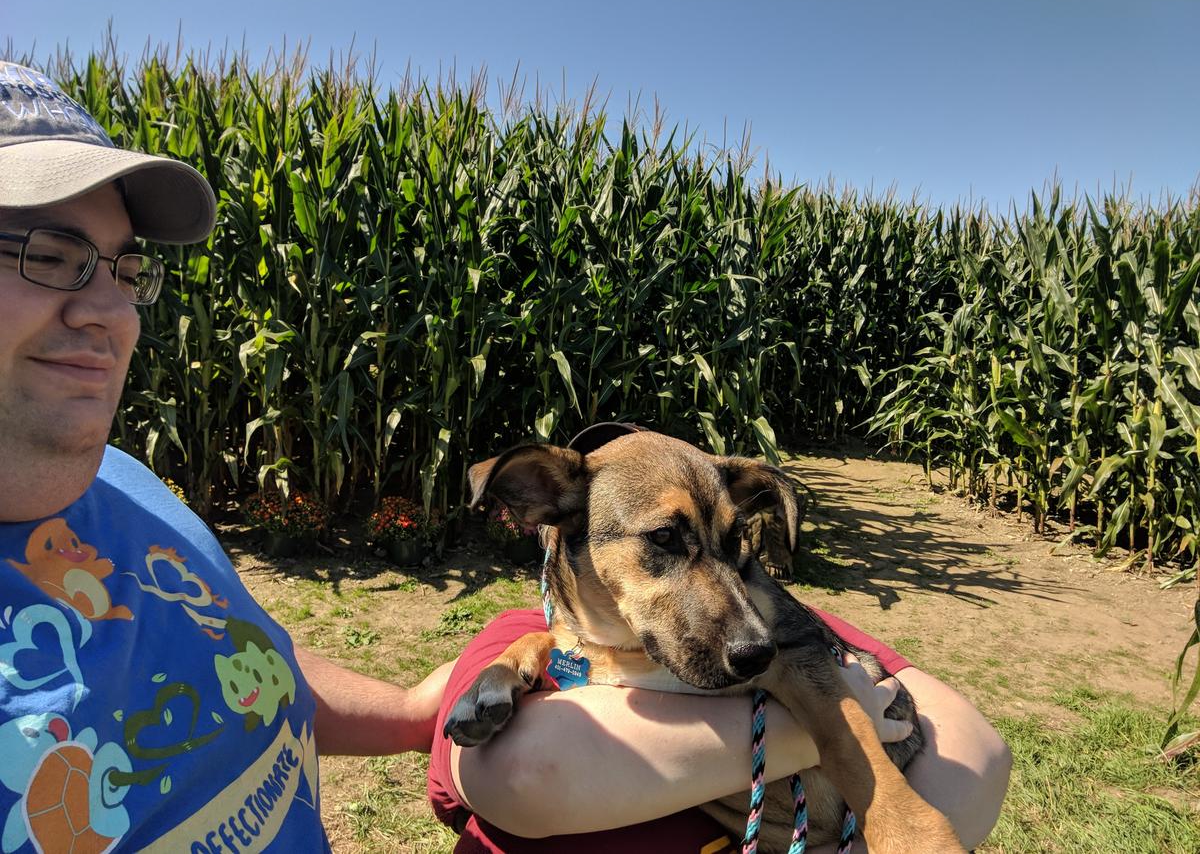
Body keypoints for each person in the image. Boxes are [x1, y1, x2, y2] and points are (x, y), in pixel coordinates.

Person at [0, 60, 451, 853]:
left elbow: (226, 656)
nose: (112, 311)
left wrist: (417, 712)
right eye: (50, 253)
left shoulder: (127, 484)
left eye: (127, 269)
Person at [428, 603, 1012, 853]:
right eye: (661, 539)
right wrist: (815, 729)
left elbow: (972, 742)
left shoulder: (753, 616)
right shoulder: (519, 633)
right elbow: (520, 774)